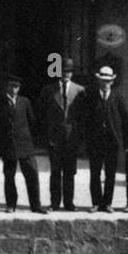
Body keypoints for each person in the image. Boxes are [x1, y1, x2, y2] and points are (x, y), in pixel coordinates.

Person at [0, 74, 49, 214]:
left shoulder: (25, 102)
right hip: (8, 144)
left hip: (25, 145)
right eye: (11, 86)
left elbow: (32, 122)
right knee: (9, 175)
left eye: (16, 87)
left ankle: (35, 205)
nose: (13, 89)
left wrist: (28, 138)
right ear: (7, 86)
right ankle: (11, 204)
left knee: (32, 175)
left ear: (19, 88)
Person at [79, 65, 128, 212]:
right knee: (95, 173)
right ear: (98, 81)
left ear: (112, 82)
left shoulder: (118, 97)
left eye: (107, 81)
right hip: (95, 141)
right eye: (102, 80)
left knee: (110, 174)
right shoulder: (91, 95)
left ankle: (107, 203)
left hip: (112, 142)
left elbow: (124, 119)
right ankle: (96, 202)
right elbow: (85, 118)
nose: (105, 83)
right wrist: (86, 138)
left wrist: (123, 141)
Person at [37, 57, 84, 211]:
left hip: (72, 138)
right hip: (54, 138)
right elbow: (42, 115)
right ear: (58, 72)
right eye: (63, 71)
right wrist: (46, 135)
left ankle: (69, 203)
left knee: (69, 172)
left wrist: (79, 137)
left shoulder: (80, 91)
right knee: (55, 171)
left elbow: (84, 117)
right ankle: (55, 203)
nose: (66, 74)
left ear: (72, 73)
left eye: (69, 71)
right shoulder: (49, 90)